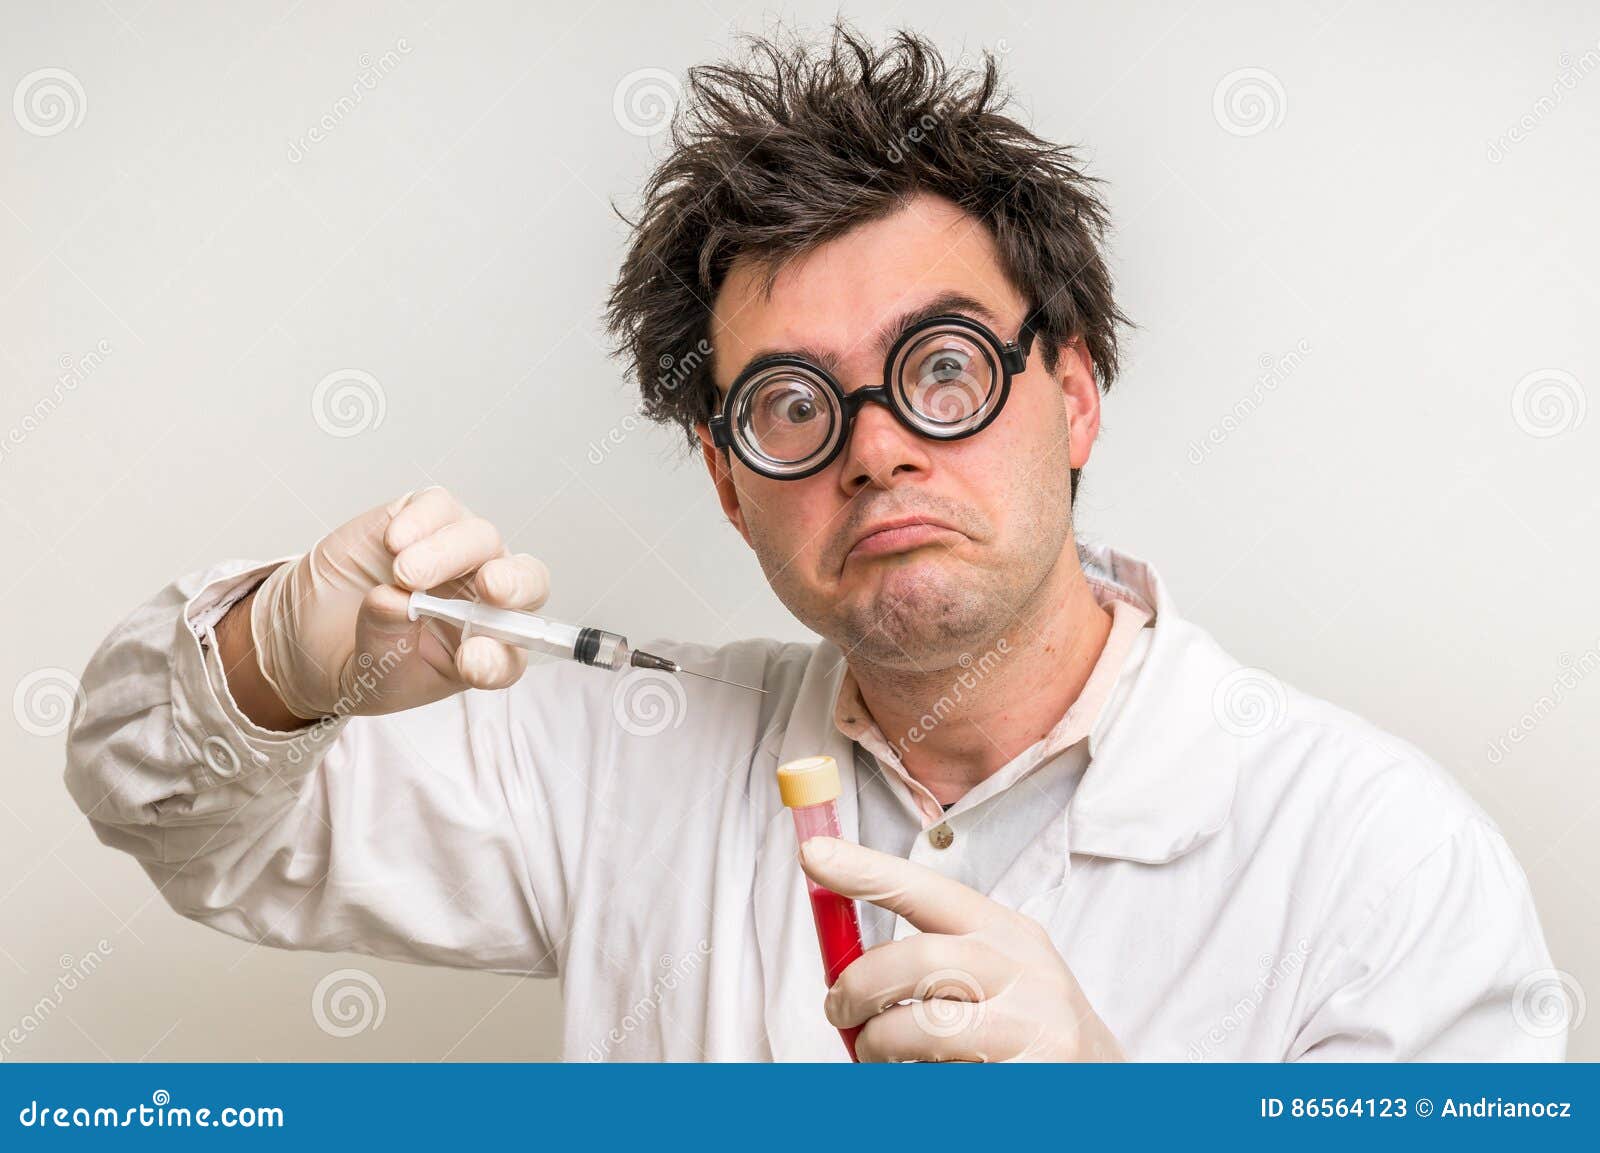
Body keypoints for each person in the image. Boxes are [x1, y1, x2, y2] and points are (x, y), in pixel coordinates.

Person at [64, 24, 1561, 1062]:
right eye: (793, 405)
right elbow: (180, 823)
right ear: (727, 481)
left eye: (947, 366)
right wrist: (277, 658)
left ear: (1077, 389)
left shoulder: (1380, 854)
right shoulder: (618, 753)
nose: (879, 445)